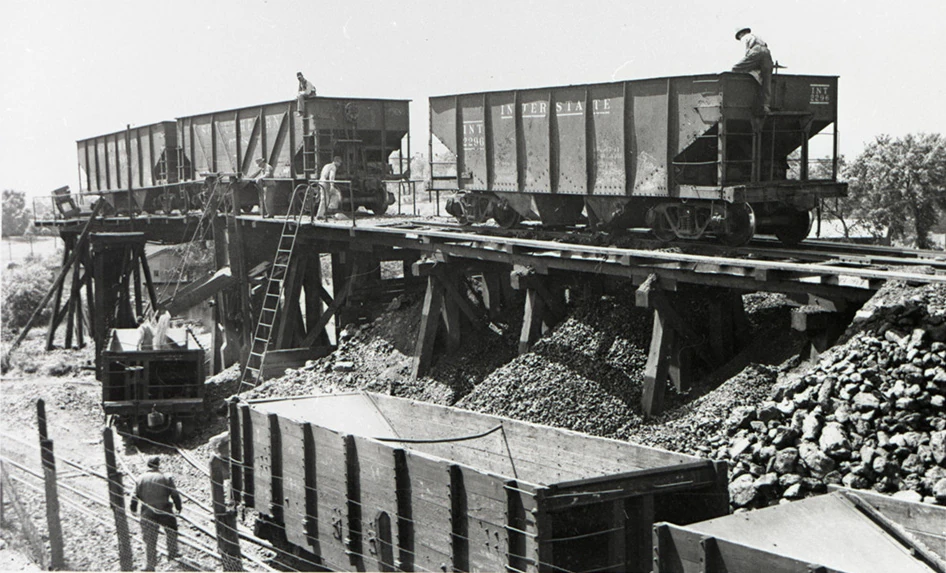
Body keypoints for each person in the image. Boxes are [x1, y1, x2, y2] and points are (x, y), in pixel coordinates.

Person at [130, 456, 182, 570]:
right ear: (158, 465)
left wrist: (133, 508)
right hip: (165, 510)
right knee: (171, 531)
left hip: (148, 512)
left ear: (148, 465)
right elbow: (174, 494)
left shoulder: (140, 478)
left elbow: (134, 496)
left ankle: (150, 564)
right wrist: (178, 506)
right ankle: (172, 554)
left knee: (150, 538)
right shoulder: (166, 477)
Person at [732, 27, 773, 114]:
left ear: (741, 34)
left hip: (756, 51)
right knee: (766, 80)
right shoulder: (757, 37)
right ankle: (766, 105)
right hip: (767, 53)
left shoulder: (745, 37)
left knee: (736, 68)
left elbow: (747, 53)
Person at [315, 156, 343, 221]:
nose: (340, 165)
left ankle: (322, 213)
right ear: (336, 162)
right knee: (336, 194)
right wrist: (332, 185)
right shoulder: (333, 167)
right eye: (339, 163)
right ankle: (329, 209)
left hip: (321, 181)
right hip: (326, 183)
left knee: (325, 198)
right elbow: (331, 176)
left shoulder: (327, 165)